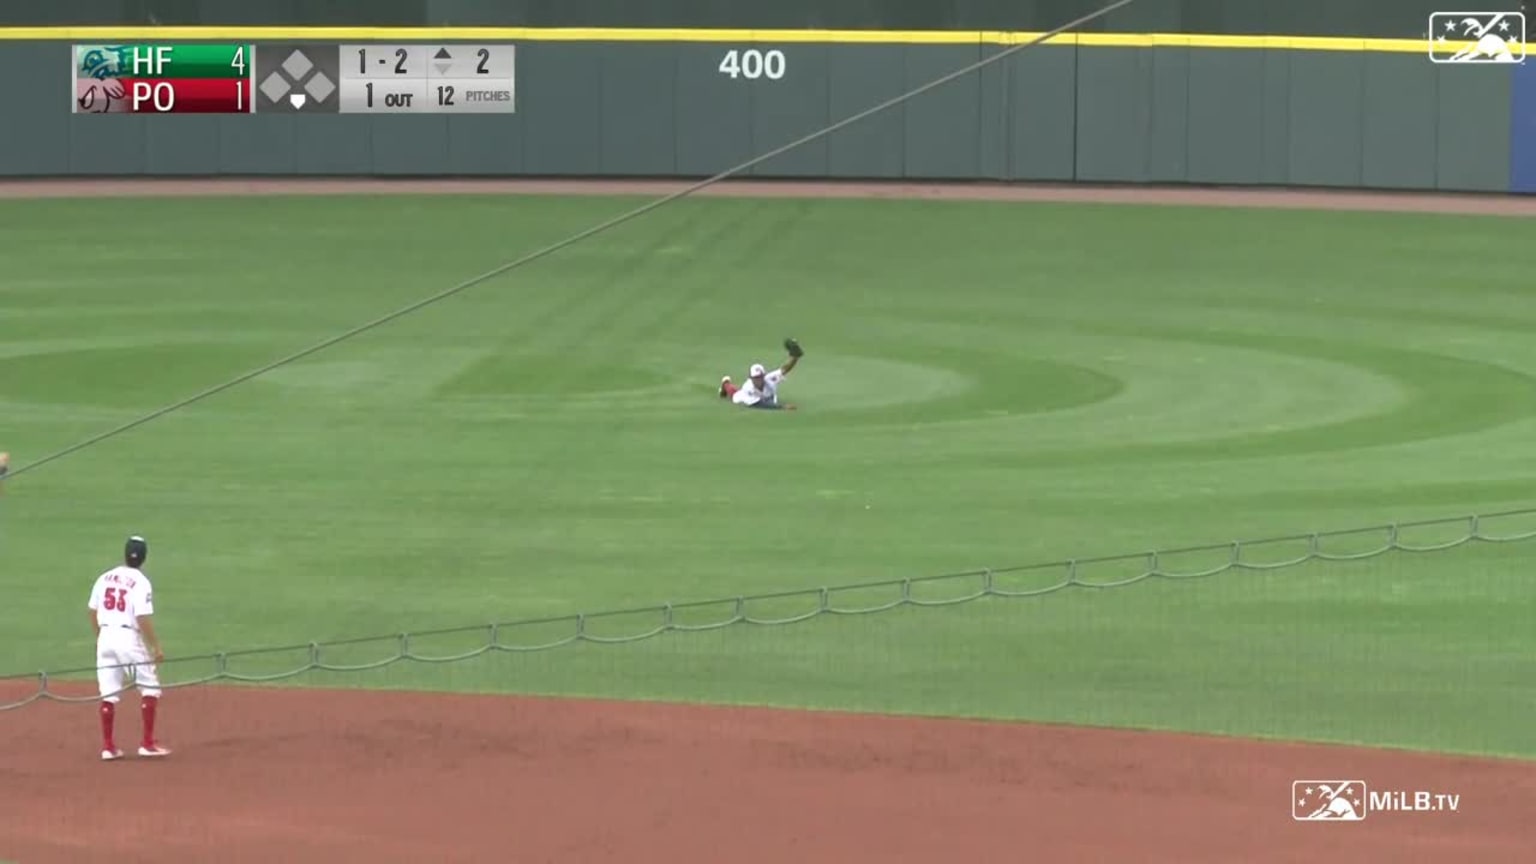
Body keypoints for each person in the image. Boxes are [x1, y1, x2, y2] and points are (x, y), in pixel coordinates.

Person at [88, 535, 170, 761]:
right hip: (128, 637)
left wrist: (100, 637)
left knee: (108, 692)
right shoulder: (141, 581)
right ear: (144, 557)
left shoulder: (104, 577)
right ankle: (147, 743)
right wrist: (156, 646)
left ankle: (108, 746)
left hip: (105, 636)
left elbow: (92, 610)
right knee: (150, 687)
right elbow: (142, 616)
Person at [719, 339, 803, 410]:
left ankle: (726, 383)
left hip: (763, 398)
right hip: (741, 398)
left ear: (763, 375)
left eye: (760, 377)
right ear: (751, 378)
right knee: (733, 392)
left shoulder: (768, 379)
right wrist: (782, 407)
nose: (758, 380)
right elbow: (759, 404)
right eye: (755, 378)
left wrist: (794, 358)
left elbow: (785, 369)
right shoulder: (748, 388)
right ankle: (725, 384)